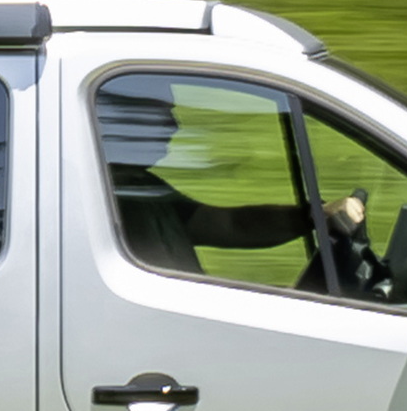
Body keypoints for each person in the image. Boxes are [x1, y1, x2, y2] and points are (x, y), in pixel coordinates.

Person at [99, 87, 381, 291]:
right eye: (159, 112)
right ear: (117, 118)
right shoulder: (106, 197)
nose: (174, 125)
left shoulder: (141, 188)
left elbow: (233, 225)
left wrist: (315, 215)